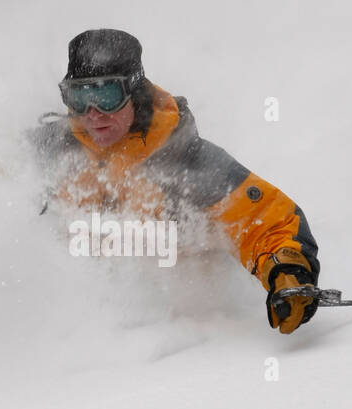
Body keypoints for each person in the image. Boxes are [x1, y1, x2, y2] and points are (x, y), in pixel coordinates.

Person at [31, 29, 320, 334]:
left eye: (106, 96)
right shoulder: (58, 147)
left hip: (176, 329)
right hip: (80, 329)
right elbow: (0, 159)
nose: (93, 113)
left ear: (134, 91)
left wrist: (286, 271)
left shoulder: (187, 162)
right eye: (79, 96)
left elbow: (263, 218)